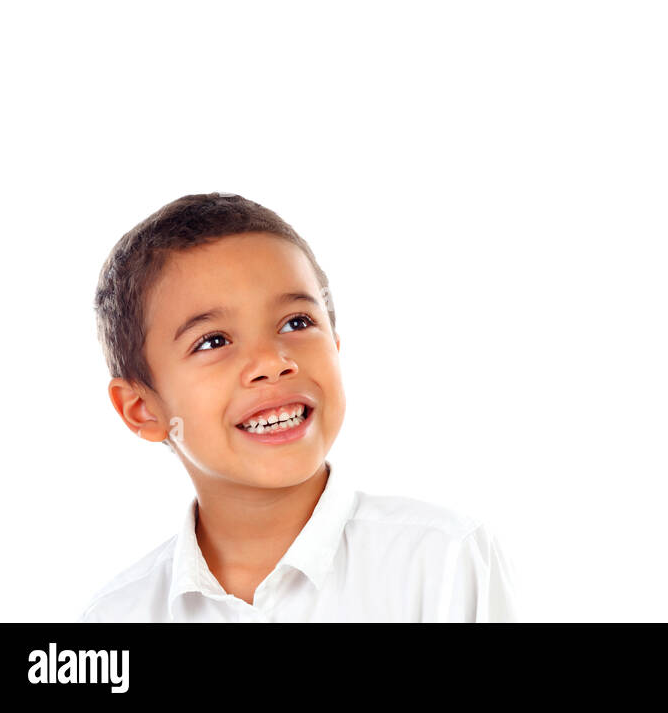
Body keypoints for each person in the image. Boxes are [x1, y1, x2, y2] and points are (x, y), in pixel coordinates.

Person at [80, 193, 517, 622]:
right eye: (213, 341)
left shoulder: (443, 560)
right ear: (141, 408)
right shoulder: (114, 618)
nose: (272, 362)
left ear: (335, 345)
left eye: (297, 323)